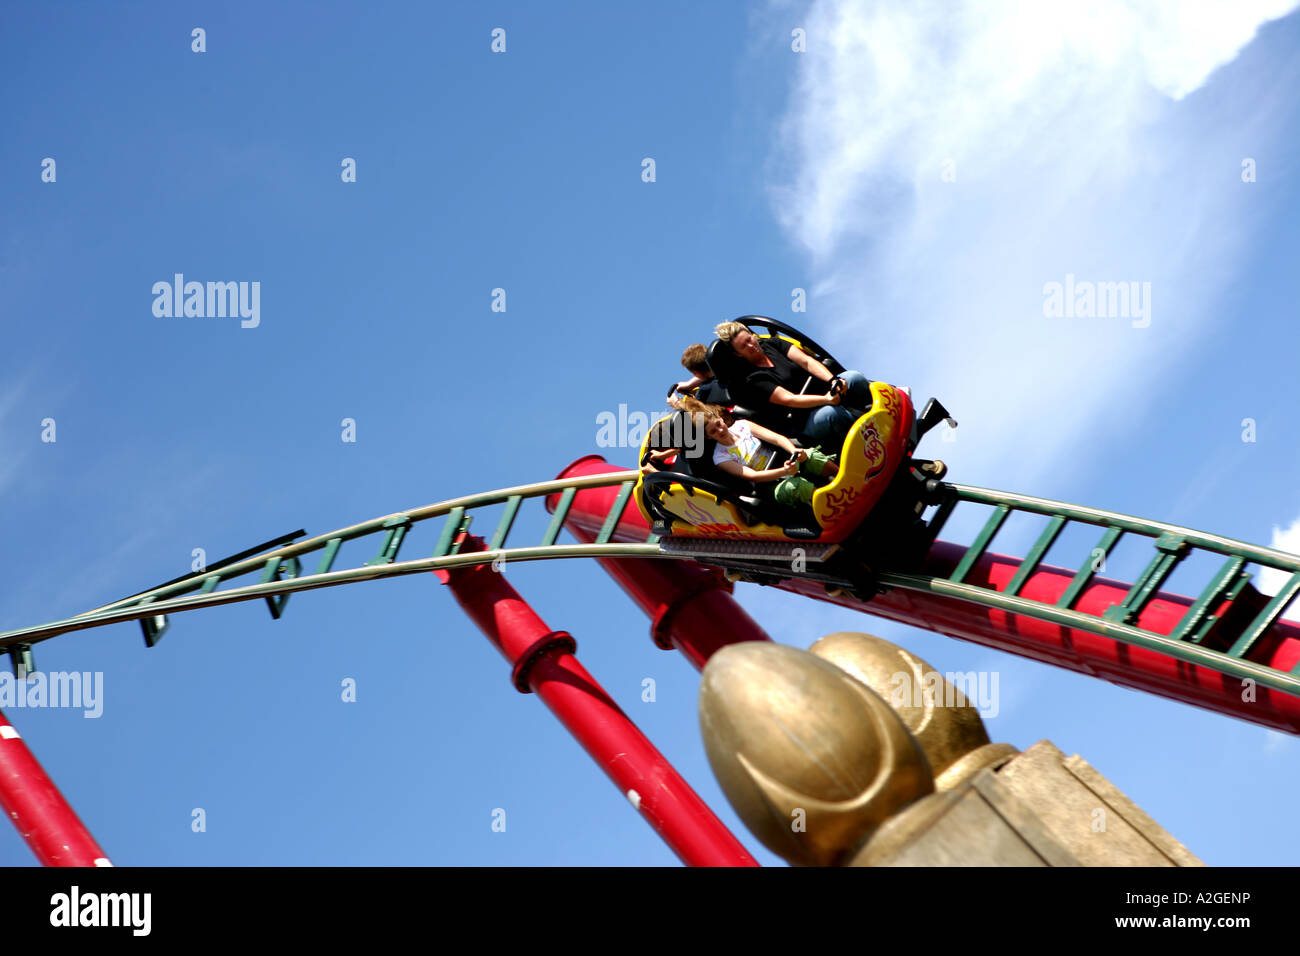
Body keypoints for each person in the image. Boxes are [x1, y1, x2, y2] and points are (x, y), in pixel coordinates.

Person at [713, 320, 871, 446]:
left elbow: (807, 362)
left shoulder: (773, 344)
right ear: (738, 354)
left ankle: (880, 408)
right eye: (744, 346)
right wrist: (826, 399)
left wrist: (833, 381)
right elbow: (789, 399)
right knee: (831, 413)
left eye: (749, 339)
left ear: (752, 334)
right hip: (803, 420)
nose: (751, 345)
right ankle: (869, 438)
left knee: (852, 377)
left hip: (826, 391)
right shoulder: (752, 379)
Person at [680, 397, 837, 507]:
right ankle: (831, 502)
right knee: (794, 487)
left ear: (721, 419)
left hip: (784, 462)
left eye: (719, 424)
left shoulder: (743, 426)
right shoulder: (720, 457)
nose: (720, 430)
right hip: (769, 483)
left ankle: (840, 478)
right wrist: (783, 471)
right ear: (708, 437)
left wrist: (794, 451)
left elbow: (776, 439)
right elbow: (753, 476)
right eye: (713, 431)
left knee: (811, 456)